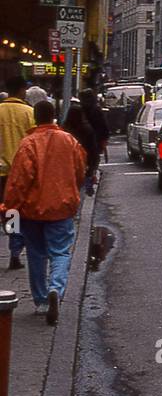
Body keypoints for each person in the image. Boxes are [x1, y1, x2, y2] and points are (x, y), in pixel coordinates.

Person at [0, 100, 86, 324]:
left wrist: (9, 208)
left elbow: (18, 182)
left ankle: (41, 300)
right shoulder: (70, 141)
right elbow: (79, 172)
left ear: (35, 118)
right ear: (54, 116)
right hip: (61, 208)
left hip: (32, 211)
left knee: (36, 255)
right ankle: (56, 288)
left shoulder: (28, 144)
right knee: (60, 252)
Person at [0, 76, 35, 270]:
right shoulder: (29, 113)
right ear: (22, 90)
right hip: (19, 174)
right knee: (14, 213)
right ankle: (14, 251)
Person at [65, 101, 101, 196]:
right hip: (85, 164)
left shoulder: (65, 131)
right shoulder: (87, 130)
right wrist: (93, 167)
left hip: (69, 166)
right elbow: (93, 150)